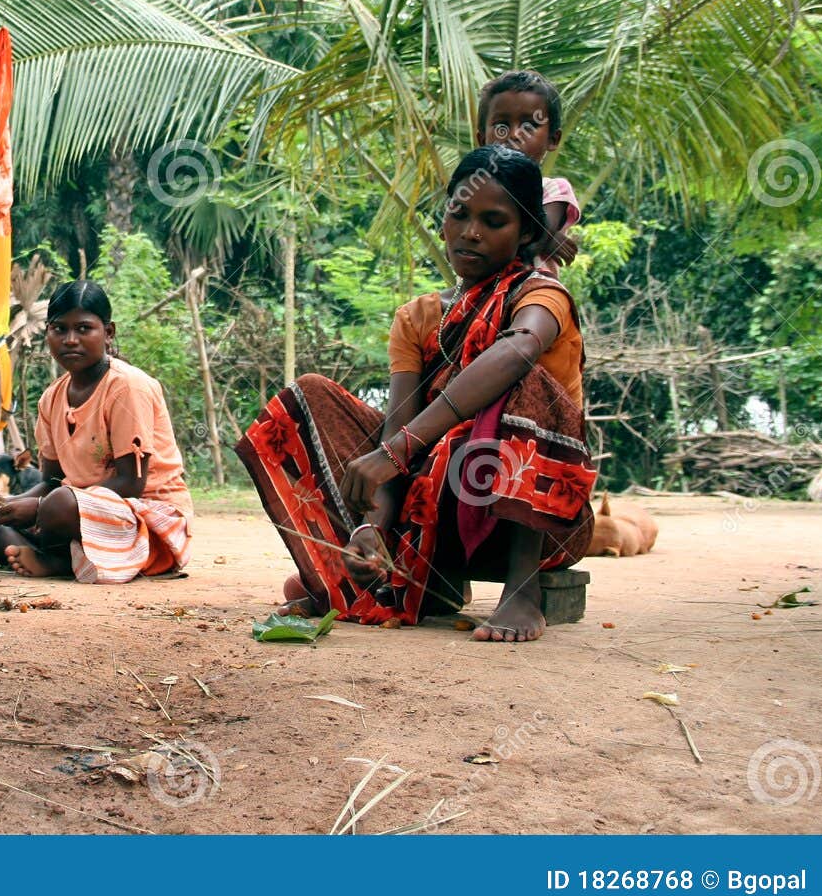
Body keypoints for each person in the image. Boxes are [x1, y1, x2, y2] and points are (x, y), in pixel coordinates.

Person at [237, 147, 596, 642]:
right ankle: (386, 567)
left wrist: (398, 450)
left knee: (527, 382)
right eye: (460, 213)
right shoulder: (419, 316)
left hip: (536, 521)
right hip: (433, 512)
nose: (470, 232)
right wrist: (373, 524)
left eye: (493, 221)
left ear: (528, 233)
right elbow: (397, 424)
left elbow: (519, 350)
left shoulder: (540, 296)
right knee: (310, 396)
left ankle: (522, 590)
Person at [0, 280, 193, 582]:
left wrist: (40, 508)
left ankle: (60, 561)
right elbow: (50, 482)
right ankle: (56, 556)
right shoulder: (51, 398)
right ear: (47, 335)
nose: (70, 340)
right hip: (75, 513)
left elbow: (131, 483)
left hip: (146, 519)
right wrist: (7, 505)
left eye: (83, 329)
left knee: (60, 504)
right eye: (59, 329)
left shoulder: (127, 387)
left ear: (108, 333)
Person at [476, 70, 579, 271]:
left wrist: (544, 238)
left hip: (531, 295)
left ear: (553, 139)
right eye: (501, 126)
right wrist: (548, 239)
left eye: (529, 125)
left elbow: (531, 245)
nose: (514, 134)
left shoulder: (553, 190)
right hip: (479, 299)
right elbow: (453, 247)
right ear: (482, 140)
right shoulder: (472, 191)